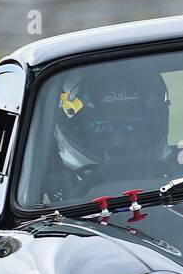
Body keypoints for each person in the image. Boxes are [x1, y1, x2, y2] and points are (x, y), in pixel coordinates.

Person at [44, 65, 175, 203]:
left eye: (133, 127)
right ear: (73, 126)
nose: (117, 142)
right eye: (101, 128)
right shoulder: (34, 186)